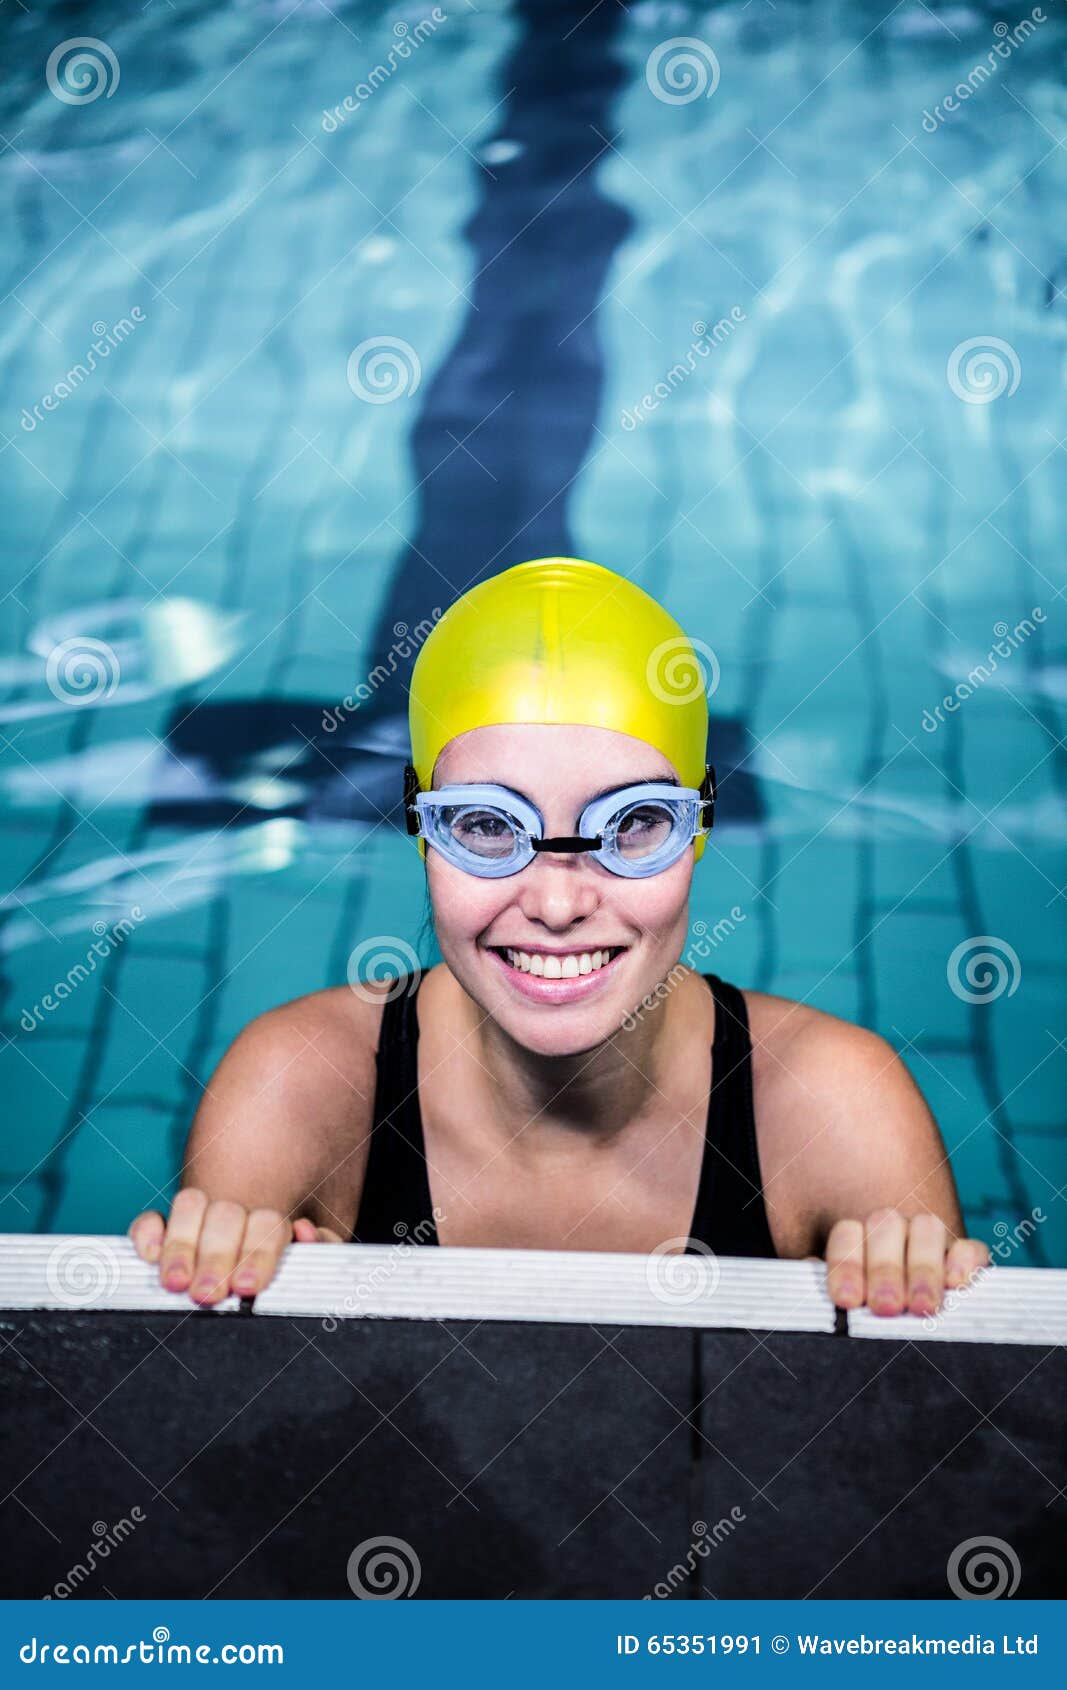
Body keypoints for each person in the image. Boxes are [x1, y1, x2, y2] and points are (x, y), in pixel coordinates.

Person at [129, 556, 989, 1315]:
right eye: (487, 826)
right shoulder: (299, 1086)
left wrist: (899, 1289)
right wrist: (220, 1283)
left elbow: (928, 1463)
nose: (556, 902)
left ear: (701, 826)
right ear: (419, 827)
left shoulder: (833, 1106)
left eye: (634, 823)